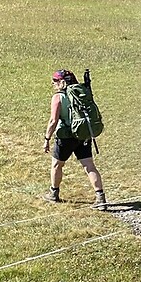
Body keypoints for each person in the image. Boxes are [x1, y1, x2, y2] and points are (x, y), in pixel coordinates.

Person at [42, 69, 106, 208]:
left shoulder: (58, 97)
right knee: (89, 165)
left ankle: (54, 193)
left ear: (62, 83)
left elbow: (53, 120)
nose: (53, 84)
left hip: (65, 136)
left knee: (57, 164)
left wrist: (47, 138)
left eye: (55, 81)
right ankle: (100, 198)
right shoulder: (81, 92)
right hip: (83, 133)